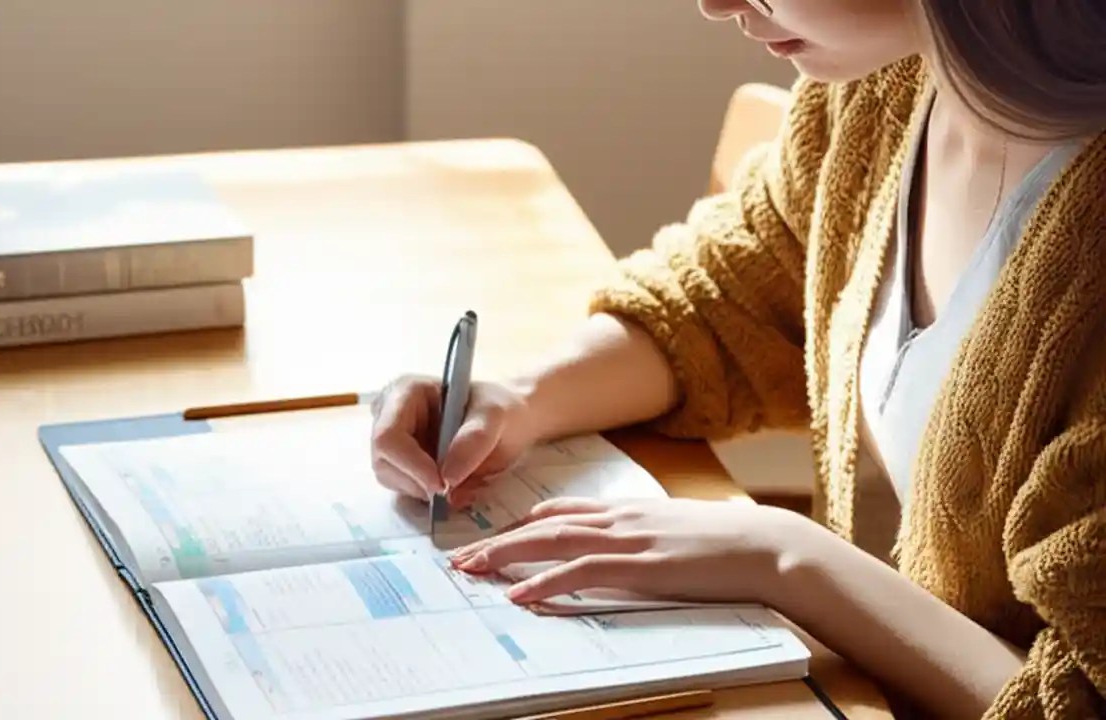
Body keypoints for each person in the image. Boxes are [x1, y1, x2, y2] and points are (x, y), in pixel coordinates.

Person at [370, 1, 1106, 718]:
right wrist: (524, 398)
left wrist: (789, 560)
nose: (715, 5)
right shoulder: (891, 80)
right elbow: (740, 292)